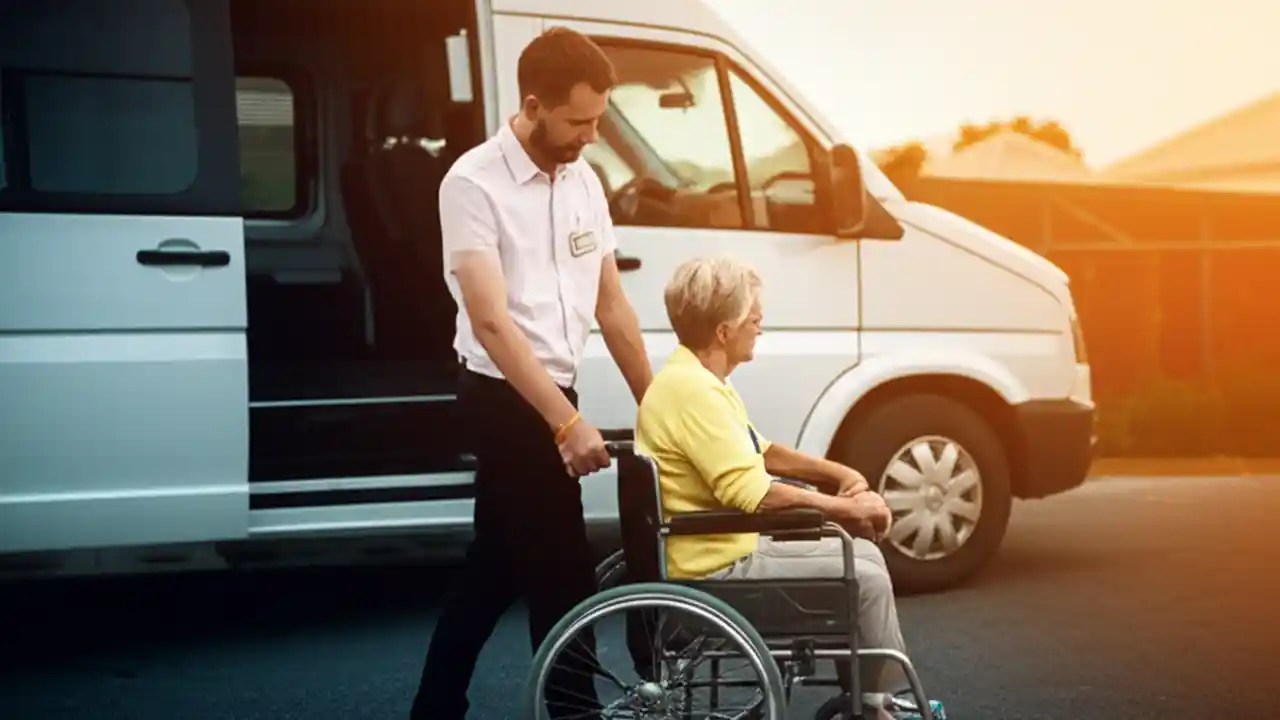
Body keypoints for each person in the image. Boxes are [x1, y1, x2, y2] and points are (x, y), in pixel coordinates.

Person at [409, 27, 652, 720]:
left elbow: (612, 304)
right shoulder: (471, 182)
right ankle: (574, 712)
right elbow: (490, 321)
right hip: (500, 396)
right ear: (533, 104)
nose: (592, 136)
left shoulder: (585, 181)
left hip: (554, 393)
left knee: (494, 568)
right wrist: (566, 423)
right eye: (579, 121)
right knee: (561, 579)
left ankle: (434, 707)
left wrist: (659, 403)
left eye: (599, 119)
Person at [634, 255, 921, 719]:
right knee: (864, 577)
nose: (760, 325)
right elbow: (756, 494)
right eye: (753, 317)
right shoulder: (695, 392)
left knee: (863, 556)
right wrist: (844, 510)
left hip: (716, 550)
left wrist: (839, 475)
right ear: (724, 331)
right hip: (715, 571)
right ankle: (872, 707)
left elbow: (760, 450)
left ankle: (865, 701)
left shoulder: (694, 379)